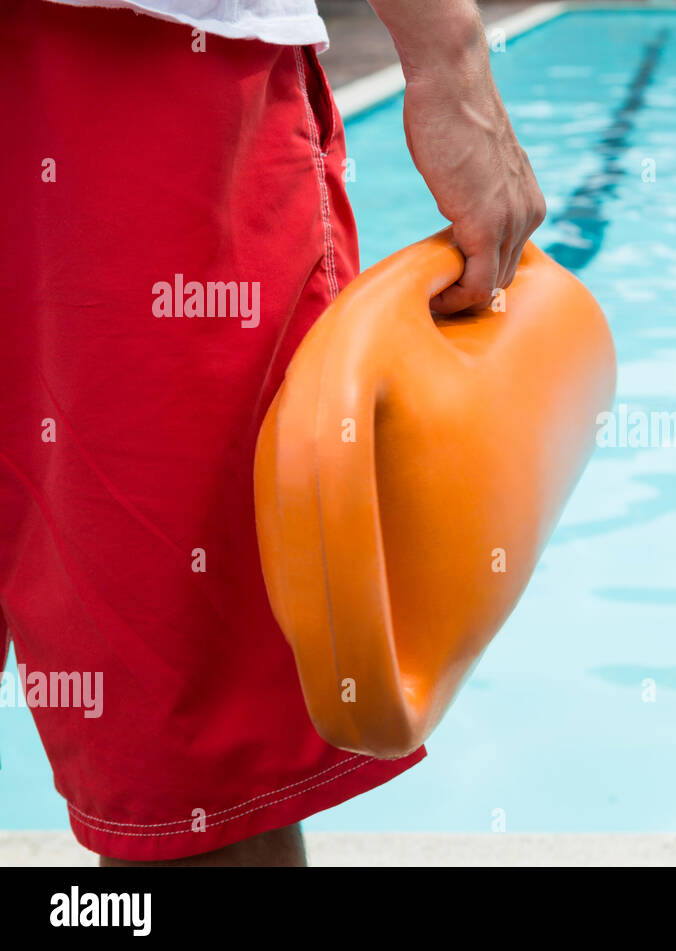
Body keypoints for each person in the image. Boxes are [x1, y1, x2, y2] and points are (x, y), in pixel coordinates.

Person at [0, 0, 544, 866]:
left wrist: (449, 61)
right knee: (196, 785)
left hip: (130, 66)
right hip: (140, 83)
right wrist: (451, 62)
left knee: (194, 777)